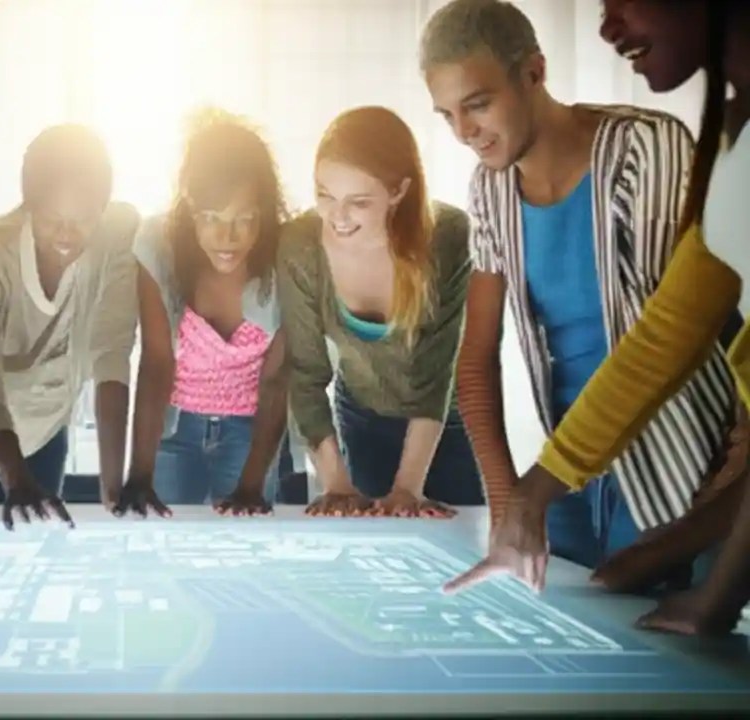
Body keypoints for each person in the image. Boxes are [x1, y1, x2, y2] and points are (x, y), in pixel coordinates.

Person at [451, 0, 750, 636]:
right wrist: (524, 496)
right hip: (579, 472)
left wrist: (699, 553)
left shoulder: (650, 145)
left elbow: (672, 341)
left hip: (676, 471)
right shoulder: (733, 135)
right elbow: (672, 330)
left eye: (620, 0)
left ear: (533, 74)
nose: (606, 26)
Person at [0, 124, 139, 530]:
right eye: (51, 219)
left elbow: (112, 350)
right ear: (28, 205)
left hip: (43, 437)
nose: (66, 234)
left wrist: (112, 485)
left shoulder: (117, 233)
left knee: (34, 558)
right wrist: (14, 477)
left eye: (83, 219)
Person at [279, 106, 482, 520]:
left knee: (459, 541)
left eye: (358, 202)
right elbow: (305, 374)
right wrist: (335, 484)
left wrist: (408, 487)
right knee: (370, 541)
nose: (336, 217)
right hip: (361, 413)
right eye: (324, 195)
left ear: (399, 191)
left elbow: (436, 375)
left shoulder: (449, 237)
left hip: (447, 420)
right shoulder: (300, 246)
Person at [120, 109, 288, 517]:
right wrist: (139, 473)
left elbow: (278, 378)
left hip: (252, 433)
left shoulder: (287, 257)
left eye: (244, 219)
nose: (227, 238)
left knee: (243, 545)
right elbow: (157, 361)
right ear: (190, 207)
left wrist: (252, 482)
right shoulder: (158, 246)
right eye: (211, 218)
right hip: (175, 427)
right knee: (165, 545)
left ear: (264, 212)